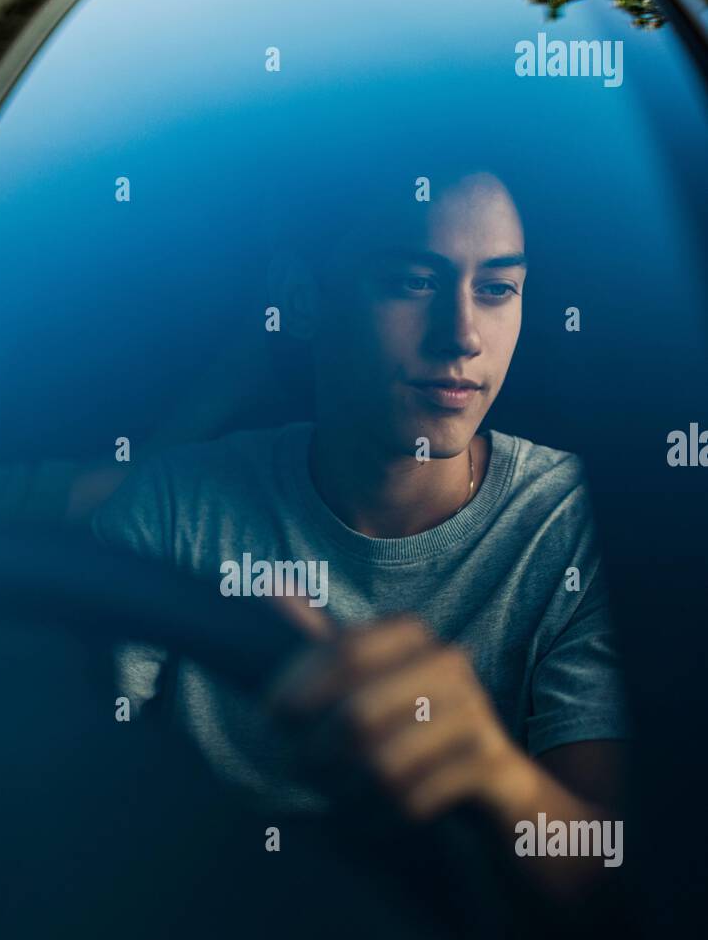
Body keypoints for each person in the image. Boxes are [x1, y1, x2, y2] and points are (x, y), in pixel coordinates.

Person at [92, 167, 628, 888]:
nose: (461, 336)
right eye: (412, 281)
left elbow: (611, 893)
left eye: (496, 289)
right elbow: (59, 786)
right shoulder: (175, 507)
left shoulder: (573, 526)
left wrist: (496, 776)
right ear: (300, 299)